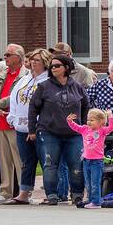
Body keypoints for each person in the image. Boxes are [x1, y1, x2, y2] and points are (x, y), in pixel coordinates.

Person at [28, 54, 88, 206]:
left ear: (66, 68)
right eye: (51, 66)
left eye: (57, 66)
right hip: (49, 132)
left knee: (76, 164)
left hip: (74, 133)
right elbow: (33, 108)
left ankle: (77, 194)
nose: (53, 68)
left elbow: (86, 107)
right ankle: (52, 195)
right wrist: (32, 130)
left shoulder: (77, 87)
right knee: (50, 164)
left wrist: (85, 127)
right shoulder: (44, 86)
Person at [7, 48, 50, 204]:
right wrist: (12, 118)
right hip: (21, 127)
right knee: (26, 162)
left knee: (46, 161)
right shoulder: (24, 79)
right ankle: (24, 192)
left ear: (45, 63)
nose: (32, 62)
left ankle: (51, 193)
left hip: (40, 128)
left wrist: (37, 124)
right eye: (31, 59)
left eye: (37, 60)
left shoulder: (48, 81)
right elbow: (14, 97)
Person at [0, 44, 26, 204]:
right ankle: (5, 191)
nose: (5, 58)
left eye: (8, 54)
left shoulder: (26, 75)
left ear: (18, 57)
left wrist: (0, 103)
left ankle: (24, 191)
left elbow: (19, 95)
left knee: (19, 160)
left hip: (16, 123)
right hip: (0, 122)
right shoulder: (2, 75)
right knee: (4, 160)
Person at [67, 108, 113, 207]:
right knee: (88, 182)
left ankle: (96, 202)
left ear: (101, 122)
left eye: (92, 120)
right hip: (86, 160)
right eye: (88, 119)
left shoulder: (102, 130)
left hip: (97, 161)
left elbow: (111, 128)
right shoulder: (85, 129)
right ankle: (90, 199)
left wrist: (110, 117)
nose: (89, 122)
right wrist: (70, 121)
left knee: (95, 182)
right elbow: (76, 127)